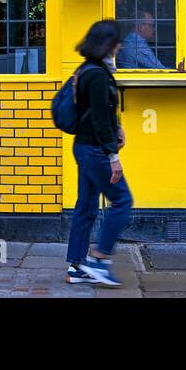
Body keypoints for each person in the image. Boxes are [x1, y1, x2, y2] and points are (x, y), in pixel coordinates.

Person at [66, 19, 133, 287]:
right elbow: (98, 121)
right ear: (108, 44)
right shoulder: (95, 74)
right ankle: (99, 259)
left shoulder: (89, 69)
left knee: (86, 206)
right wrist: (112, 156)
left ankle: (76, 266)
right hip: (94, 150)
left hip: (86, 147)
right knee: (123, 201)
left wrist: (118, 127)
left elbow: (101, 111)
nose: (120, 46)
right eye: (117, 42)